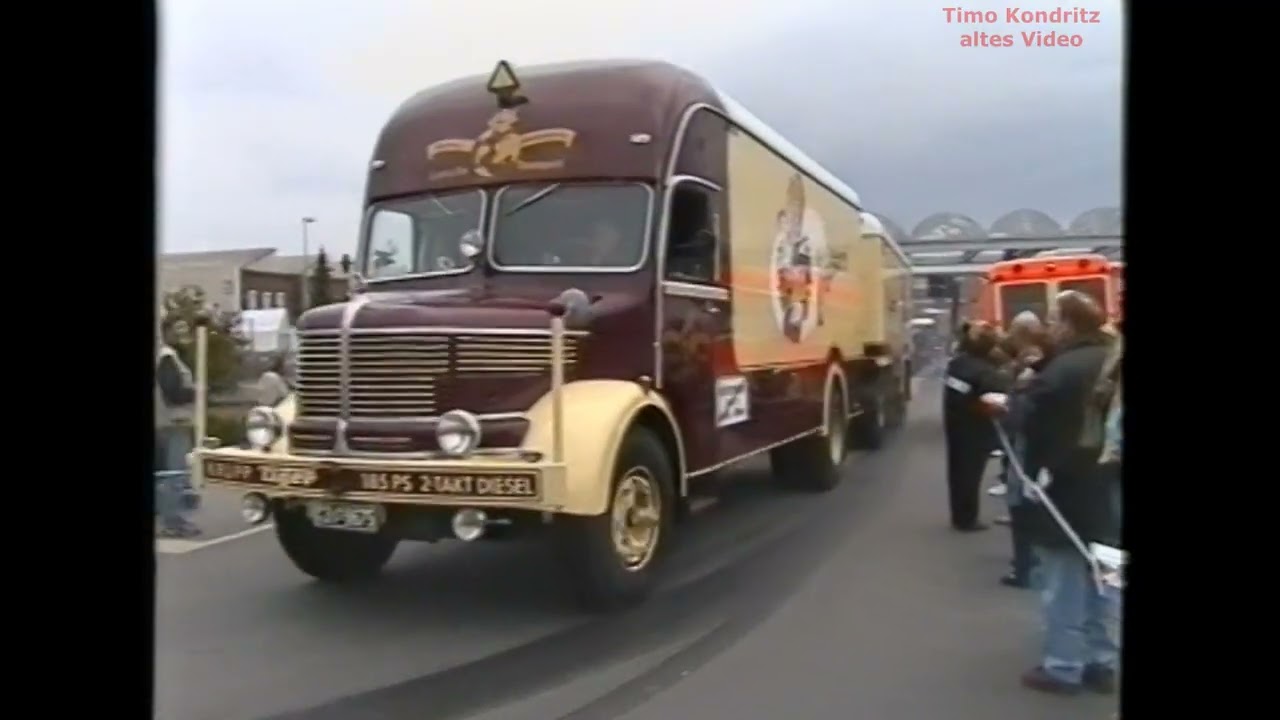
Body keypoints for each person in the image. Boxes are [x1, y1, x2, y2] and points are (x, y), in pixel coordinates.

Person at [1012, 291, 1117, 694]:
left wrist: (1016, 395)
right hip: (1111, 487)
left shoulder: (1061, 370)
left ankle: (1063, 664)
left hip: (1069, 487)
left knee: (1063, 578)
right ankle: (1103, 660)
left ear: (1070, 325)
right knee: (1108, 576)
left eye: (1055, 320)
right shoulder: (1112, 361)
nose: (1050, 327)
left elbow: (1029, 419)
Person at [994, 311, 1051, 588]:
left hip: (1025, 445)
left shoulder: (1029, 365)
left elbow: (1020, 412)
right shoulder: (1042, 360)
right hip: (1037, 444)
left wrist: (1004, 411)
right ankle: (1031, 562)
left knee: (1023, 504)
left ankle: (1026, 567)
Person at [941, 320, 1009, 532]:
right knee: (971, 474)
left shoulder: (957, 364)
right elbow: (995, 398)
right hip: (975, 427)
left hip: (955, 423)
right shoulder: (985, 371)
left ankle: (959, 515)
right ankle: (968, 518)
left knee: (957, 472)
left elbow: (956, 395)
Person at [156, 316, 203, 538]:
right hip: (173, 423)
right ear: (166, 333)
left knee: (178, 474)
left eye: (183, 328)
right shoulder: (167, 358)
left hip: (177, 423)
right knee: (174, 475)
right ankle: (171, 522)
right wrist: (196, 391)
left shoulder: (175, 357)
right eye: (177, 329)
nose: (181, 333)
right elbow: (172, 393)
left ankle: (177, 519)